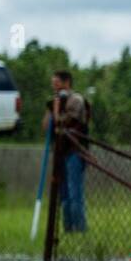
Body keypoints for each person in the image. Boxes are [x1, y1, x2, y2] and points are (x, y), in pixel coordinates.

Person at [44, 70, 89, 233]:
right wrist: (51, 109)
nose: (54, 87)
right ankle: (69, 230)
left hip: (74, 152)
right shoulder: (55, 102)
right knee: (63, 195)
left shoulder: (76, 100)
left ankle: (80, 229)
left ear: (66, 83)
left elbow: (65, 123)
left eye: (57, 83)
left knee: (74, 194)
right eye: (53, 83)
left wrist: (56, 111)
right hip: (59, 154)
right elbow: (47, 127)